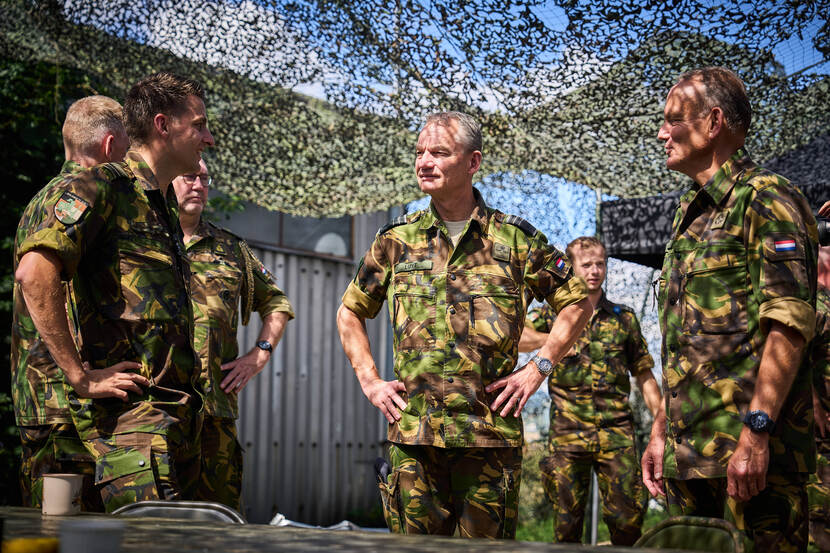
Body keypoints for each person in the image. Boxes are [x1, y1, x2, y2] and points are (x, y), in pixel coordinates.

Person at [336, 111, 592, 538]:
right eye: (419, 152)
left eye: (439, 152)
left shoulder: (516, 241)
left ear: (472, 163)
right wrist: (370, 380)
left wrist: (539, 367)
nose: (424, 162)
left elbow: (577, 302)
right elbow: (350, 311)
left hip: (489, 441)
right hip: (414, 442)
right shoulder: (396, 241)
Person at [15, 72, 215, 512]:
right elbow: (34, 273)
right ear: (163, 125)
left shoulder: (154, 204)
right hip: (113, 429)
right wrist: (79, 375)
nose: (209, 138)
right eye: (199, 124)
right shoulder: (100, 186)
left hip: (151, 429)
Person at [642, 67, 818, 551]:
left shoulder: (766, 199)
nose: (662, 132)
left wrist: (757, 432)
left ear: (713, 122)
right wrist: (660, 431)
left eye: (673, 119)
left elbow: (788, 324)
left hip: (753, 461)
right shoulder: (688, 214)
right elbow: (683, 342)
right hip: (691, 456)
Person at [11, 95, 129, 510]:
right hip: (65, 409)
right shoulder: (80, 191)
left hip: (55, 406)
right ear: (111, 145)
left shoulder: (52, 193)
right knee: (62, 535)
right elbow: (34, 275)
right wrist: (81, 376)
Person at [521, 236, 661, 546]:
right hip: (567, 434)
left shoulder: (623, 318)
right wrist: (556, 339)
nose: (595, 270)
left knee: (627, 524)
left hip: (617, 433)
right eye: (586, 265)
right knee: (566, 528)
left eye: (600, 263)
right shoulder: (551, 316)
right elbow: (517, 336)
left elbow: (645, 376)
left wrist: (661, 422)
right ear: (571, 268)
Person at [172, 159, 294, 512]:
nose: (198, 185)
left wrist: (261, 353)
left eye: (205, 179)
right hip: (157, 410)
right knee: (152, 524)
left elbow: (276, 303)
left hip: (215, 412)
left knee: (219, 519)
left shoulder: (230, 248)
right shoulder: (145, 243)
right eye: (189, 176)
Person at [808, 229, 830, 550]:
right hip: (819, 430)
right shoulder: (812, 300)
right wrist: (812, 401)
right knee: (819, 517)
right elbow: (796, 354)